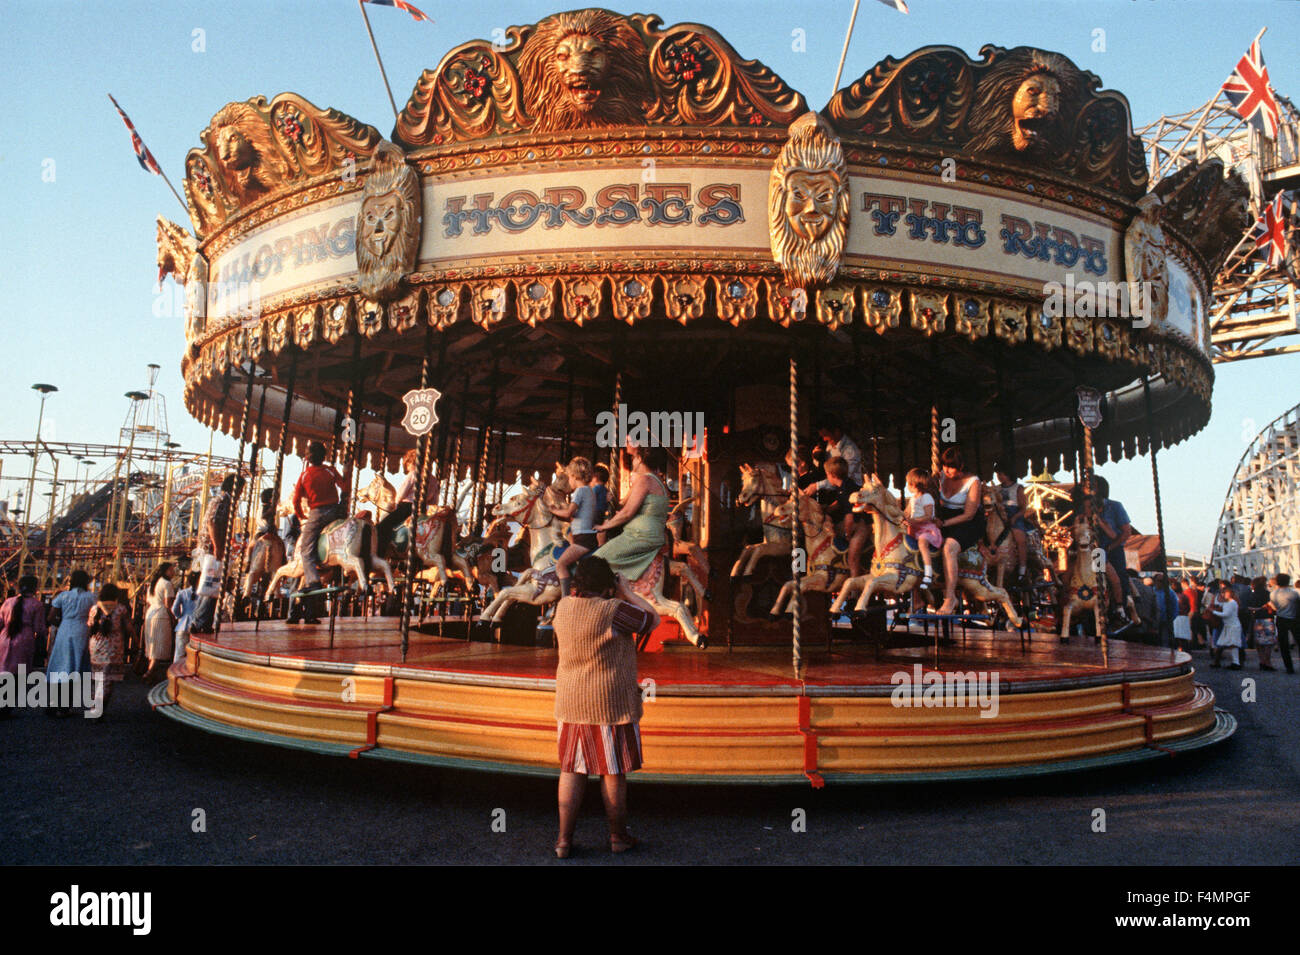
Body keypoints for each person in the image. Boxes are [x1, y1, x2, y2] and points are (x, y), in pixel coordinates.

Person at [551, 555, 659, 858]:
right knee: (612, 773)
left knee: (571, 769)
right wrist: (627, 591)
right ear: (607, 583)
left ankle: (563, 840)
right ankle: (617, 836)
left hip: (571, 701)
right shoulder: (614, 611)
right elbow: (653, 619)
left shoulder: (563, 607)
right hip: (608, 703)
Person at [291, 441, 348, 621]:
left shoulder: (305, 475)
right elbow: (345, 487)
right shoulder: (330, 470)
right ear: (324, 456)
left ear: (307, 458)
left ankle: (314, 580)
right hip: (335, 511)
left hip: (316, 514)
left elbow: (295, 501)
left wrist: (301, 516)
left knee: (305, 550)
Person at [934, 447, 985, 615]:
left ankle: (950, 598)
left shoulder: (973, 482)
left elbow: (969, 514)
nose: (947, 470)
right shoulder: (941, 476)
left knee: (949, 547)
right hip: (945, 519)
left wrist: (945, 523)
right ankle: (921, 596)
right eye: (945, 466)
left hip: (967, 522)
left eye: (951, 467)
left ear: (961, 466)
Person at [192, 472, 245, 633]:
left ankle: (202, 620)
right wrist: (217, 546)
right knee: (212, 583)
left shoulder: (224, 500)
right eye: (241, 489)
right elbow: (212, 522)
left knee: (212, 584)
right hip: (212, 548)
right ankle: (200, 621)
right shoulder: (223, 500)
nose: (242, 493)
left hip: (213, 546)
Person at [802, 456, 869, 578]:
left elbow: (849, 517)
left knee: (852, 557)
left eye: (827, 474)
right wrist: (824, 509)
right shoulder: (842, 487)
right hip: (852, 524)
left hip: (860, 526)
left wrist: (847, 536)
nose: (827, 477)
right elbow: (838, 503)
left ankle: (854, 588)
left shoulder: (848, 488)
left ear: (832, 474)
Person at [46, 569, 97, 715]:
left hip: (64, 629)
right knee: (74, 668)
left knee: (61, 666)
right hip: (82, 630)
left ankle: (52, 703)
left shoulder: (63, 596)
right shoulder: (91, 597)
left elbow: (50, 618)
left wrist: (61, 622)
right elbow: (95, 615)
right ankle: (64, 706)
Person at [550, 457, 598, 596]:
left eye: (569, 478)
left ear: (574, 476)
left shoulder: (580, 491)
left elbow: (568, 512)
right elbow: (576, 515)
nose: (568, 482)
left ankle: (565, 599)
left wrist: (553, 510)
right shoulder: (589, 490)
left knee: (560, 565)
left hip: (583, 539)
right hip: (585, 536)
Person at [0, 576, 46, 715]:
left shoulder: (8, 602)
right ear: (35, 588)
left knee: (3, 671)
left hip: (5, 638)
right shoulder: (37, 605)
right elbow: (40, 629)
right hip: (24, 640)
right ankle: (6, 708)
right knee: (19, 675)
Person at [377, 449, 431, 557]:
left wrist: (396, 503)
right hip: (426, 509)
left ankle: (380, 553)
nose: (407, 468)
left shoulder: (413, 474)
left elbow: (401, 493)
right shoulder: (432, 478)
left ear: (412, 462)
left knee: (382, 525)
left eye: (408, 464)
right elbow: (435, 499)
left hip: (408, 507)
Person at [1093, 476, 1133, 618]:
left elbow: (1126, 531)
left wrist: (1112, 546)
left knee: (1119, 576)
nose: (1089, 489)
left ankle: (1121, 607)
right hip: (1093, 550)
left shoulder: (1114, 506)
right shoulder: (1084, 508)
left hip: (1111, 548)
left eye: (1093, 486)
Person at [88, 584, 133, 707]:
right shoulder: (120, 609)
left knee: (96, 678)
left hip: (96, 644)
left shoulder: (94, 608)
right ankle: (100, 705)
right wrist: (136, 640)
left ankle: (94, 703)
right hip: (113, 646)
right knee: (108, 679)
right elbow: (129, 627)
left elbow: (90, 626)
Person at [991, 462, 1031, 583]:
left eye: (1001, 474)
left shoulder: (1018, 488)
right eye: (997, 474)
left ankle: (1022, 570)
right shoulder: (997, 488)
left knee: (1020, 540)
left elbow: (1023, 507)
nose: (999, 476)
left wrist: (1015, 517)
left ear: (1008, 474)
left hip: (1014, 514)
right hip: (999, 514)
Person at [903, 468, 942, 586]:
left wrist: (913, 520)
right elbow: (905, 513)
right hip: (914, 529)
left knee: (922, 542)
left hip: (927, 529)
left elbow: (929, 516)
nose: (907, 486)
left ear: (913, 484)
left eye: (908, 483)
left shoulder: (926, 497)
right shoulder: (913, 498)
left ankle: (928, 573)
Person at [142, 562, 177, 680]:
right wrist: (173, 618)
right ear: (166, 571)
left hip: (151, 613)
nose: (173, 573)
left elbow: (148, 601)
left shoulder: (153, 583)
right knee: (160, 647)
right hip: (161, 615)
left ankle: (150, 672)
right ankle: (149, 673)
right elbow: (168, 604)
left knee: (152, 647)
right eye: (171, 570)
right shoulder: (167, 584)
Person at [1266, 572, 1299, 674]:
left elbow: (1274, 607)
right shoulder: (1293, 593)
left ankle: (1289, 667)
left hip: (1281, 619)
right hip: (1294, 619)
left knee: (1284, 645)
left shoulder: (1273, 594)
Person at [814, 414, 863, 483]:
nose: (824, 439)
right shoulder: (828, 445)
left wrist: (818, 486)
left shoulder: (850, 450)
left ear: (837, 432)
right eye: (822, 436)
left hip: (849, 489)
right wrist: (817, 459)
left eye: (826, 435)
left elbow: (842, 478)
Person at [1210, 581, 1243, 670]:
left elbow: (1226, 614)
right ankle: (1234, 662)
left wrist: (1213, 611)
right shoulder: (1230, 603)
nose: (1223, 594)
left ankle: (1234, 663)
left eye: (1225, 593)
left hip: (1231, 626)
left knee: (1230, 644)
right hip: (1230, 625)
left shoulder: (1231, 603)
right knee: (1229, 644)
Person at [1247, 576, 1276, 671]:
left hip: (1257, 619)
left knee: (1259, 642)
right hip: (1268, 619)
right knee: (1268, 642)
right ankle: (1268, 662)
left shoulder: (1252, 595)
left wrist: (1257, 609)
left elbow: (1248, 608)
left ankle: (1262, 660)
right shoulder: (1268, 594)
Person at [171, 571, 200, 665]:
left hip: (182, 625)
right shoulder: (202, 595)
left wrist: (180, 616)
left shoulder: (182, 593)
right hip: (196, 626)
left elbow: (174, 609)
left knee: (179, 652)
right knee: (193, 654)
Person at [1150, 572, 1179, 648]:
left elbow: (1175, 607)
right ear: (1155, 581)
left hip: (1165, 621)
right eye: (1159, 580)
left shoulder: (1170, 593)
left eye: (1162, 581)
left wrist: (1170, 619)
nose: (1160, 583)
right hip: (1154, 622)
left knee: (1165, 642)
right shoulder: (1151, 591)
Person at [591, 464, 611, 546]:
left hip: (594, 512)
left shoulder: (596, 488)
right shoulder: (606, 490)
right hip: (602, 513)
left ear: (595, 478)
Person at [1171, 578, 1192, 652]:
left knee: (1176, 635)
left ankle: (1178, 649)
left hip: (1175, 617)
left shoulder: (1172, 596)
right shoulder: (1184, 596)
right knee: (1184, 636)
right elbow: (1189, 607)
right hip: (1184, 617)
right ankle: (1186, 650)